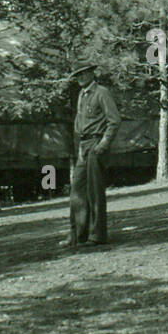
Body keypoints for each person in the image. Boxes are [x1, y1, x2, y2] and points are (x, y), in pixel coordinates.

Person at [63, 60, 120, 249]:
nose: (80, 77)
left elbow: (114, 120)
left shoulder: (101, 93)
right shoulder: (81, 95)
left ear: (91, 74)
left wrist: (104, 143)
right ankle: (77, 235)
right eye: (77, 75)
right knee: (77, 191)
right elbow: (79, 123)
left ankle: (98, 235)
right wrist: (79, 147)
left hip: (97, 143)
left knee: (95, 191)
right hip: (84, 144)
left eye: (83, 74)